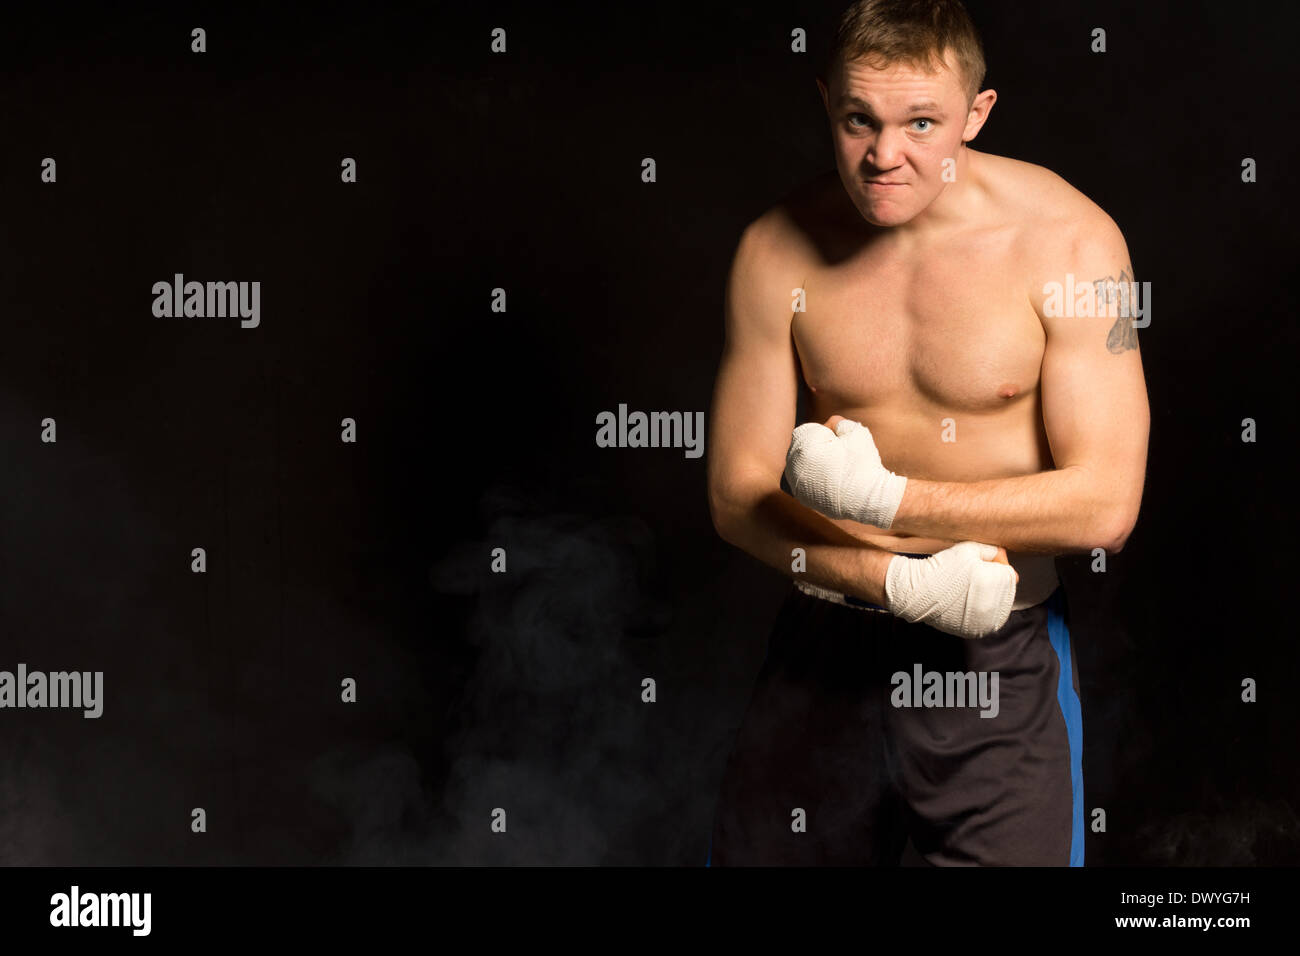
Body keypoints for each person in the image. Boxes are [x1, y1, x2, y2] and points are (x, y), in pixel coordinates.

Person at [705, 0, 1149, 865]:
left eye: (921, 123)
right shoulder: (774, 252)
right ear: (827, 99)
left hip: (996, 660)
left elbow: (1106, 503)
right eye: (858, 120)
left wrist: (885, 498)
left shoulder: (1073, 243)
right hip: (822, 653)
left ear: (976, 114)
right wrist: (895, 583)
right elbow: (735, 494)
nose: (884, 156)